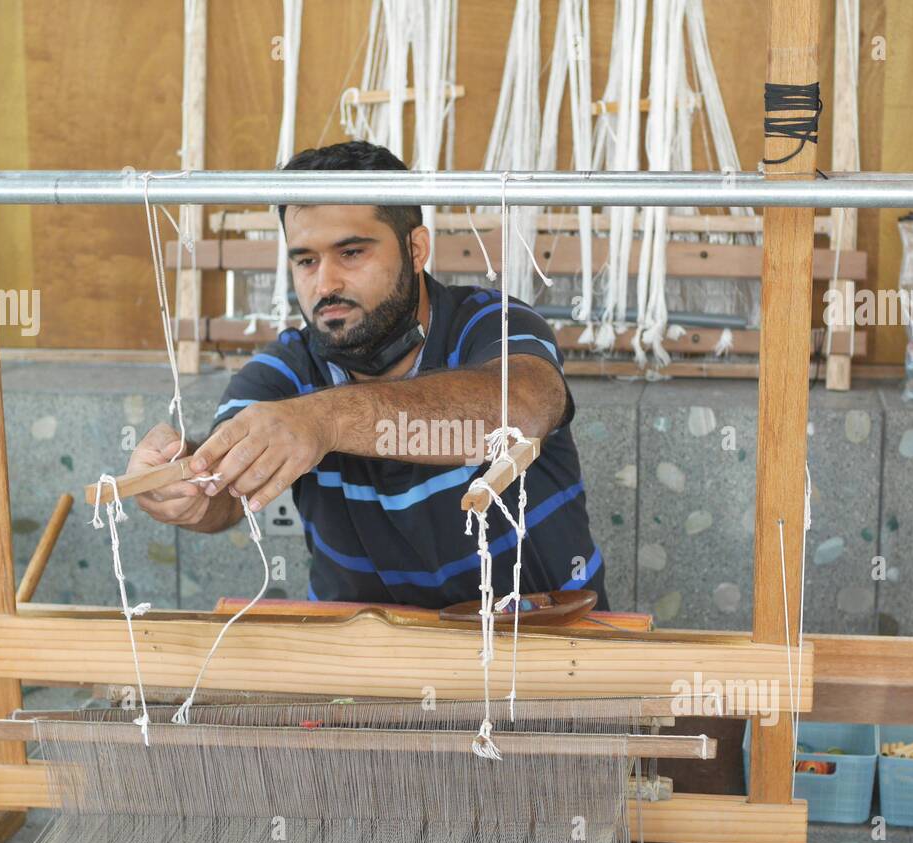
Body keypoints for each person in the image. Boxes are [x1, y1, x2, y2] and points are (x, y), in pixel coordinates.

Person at [130, 140, 607, 610]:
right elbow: (225, 492)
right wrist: (184, 484)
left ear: (415, 249)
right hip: (363, 665)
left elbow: (520, 410)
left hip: (545, 644)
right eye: (306, 260)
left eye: (352, 253)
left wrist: (325, 421)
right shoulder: (284, 373)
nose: (326, 283)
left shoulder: (490, 324)